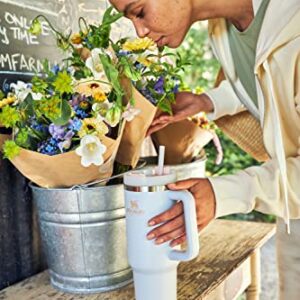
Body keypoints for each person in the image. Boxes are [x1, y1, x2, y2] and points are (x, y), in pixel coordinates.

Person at [109, 0, 300, 298]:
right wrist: (208, 101)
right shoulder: (224, 29)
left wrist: (227, 194)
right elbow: (274, 77)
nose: (140, 31)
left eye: (140, 11)